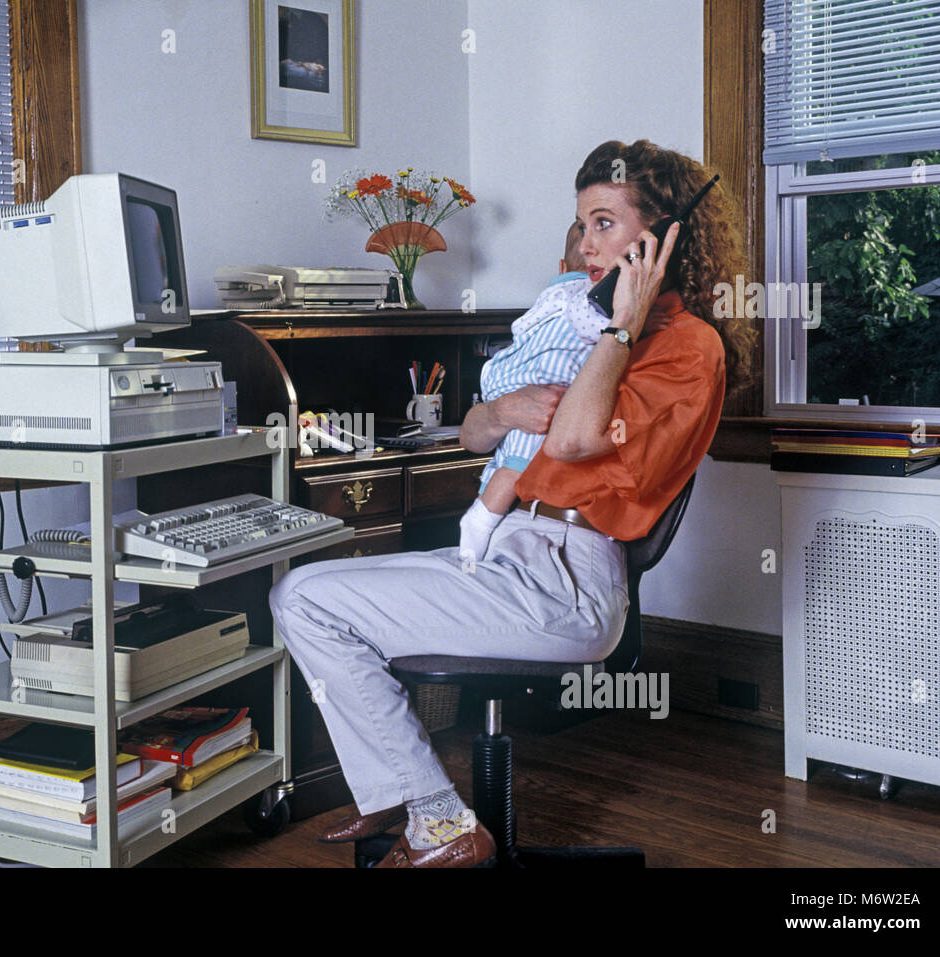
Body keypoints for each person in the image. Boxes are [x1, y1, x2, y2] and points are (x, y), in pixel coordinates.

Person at [269, 139, 755, 868]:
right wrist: (503, 409)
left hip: (568, 580)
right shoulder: (579, 326)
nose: (583, 246)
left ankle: (435, 817)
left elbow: (577, 436)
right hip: (503, 555)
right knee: (300, 591)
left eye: (603, 224)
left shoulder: (688, 347)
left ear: (659, 240)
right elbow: (473, 431)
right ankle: (412, 801)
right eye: (581, 224)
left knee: (308, 600)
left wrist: (620, 325)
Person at [458, 221, 599, 563]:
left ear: (561, 267)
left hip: (511, 372)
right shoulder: (593, 296)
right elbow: (606, 326)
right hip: (548, 380)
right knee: (519, 463)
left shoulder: (551, 293)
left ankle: (477, 528)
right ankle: (480, 520)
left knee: (505, 462)